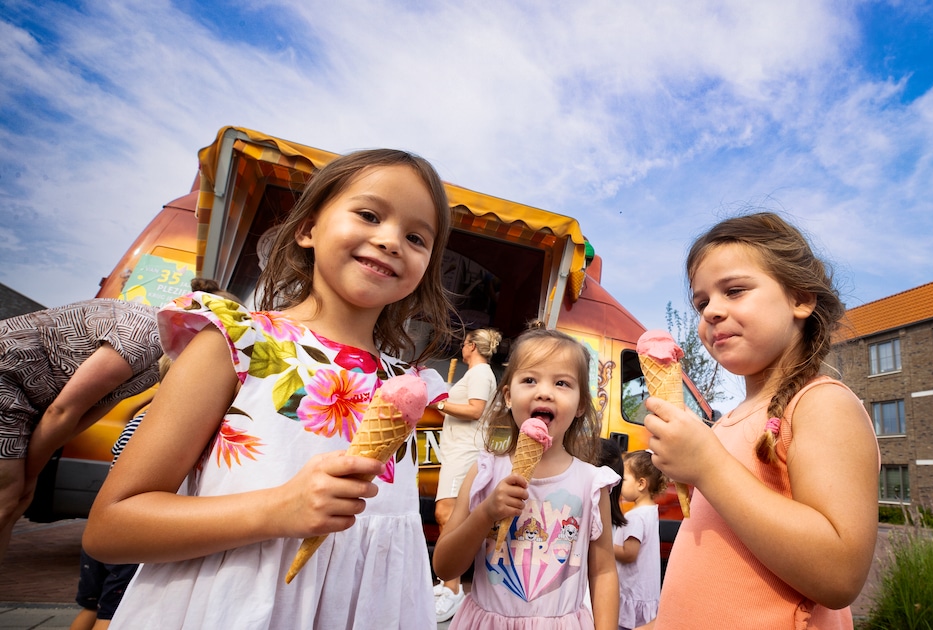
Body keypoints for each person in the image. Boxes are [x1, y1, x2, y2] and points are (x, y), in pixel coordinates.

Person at [82, 148, 458, 629]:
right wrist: (277, 510)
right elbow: (111, 527)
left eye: (416, 237)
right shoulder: (237, 342)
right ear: (308, 229)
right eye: (368, 215)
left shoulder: (407, 385)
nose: (390, 241)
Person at [642, 212, 880, 629]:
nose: (712, 311)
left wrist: (708, 467)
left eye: (734, 290)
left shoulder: (822, 405)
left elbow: (840, 574)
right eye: (701, 303)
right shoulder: (725, 424)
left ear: (800, 299)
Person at [432, 327, 620, 629]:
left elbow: (603, 572)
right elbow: (444, 566)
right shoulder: (484, 472)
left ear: (581, 405)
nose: (544, 392)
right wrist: (486, 514)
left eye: (561, 383)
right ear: (508, 396)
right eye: (530, 380)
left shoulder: (592, 484)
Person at [0, 298, 162, 562]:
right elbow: (62, 411)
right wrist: (30, 475)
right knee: (6, 500)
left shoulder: (159, 363)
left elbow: (92, 410)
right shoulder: (145, 335)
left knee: (15, 503)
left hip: (26, 399)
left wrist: (33, 471)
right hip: (8, 379)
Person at [70, 353, 174, 630]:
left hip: (100, 524)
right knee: (112, 613)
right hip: (130, 531)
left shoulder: (139, 419)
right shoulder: (168, 425)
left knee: (91, 607)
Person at [433, 327, 503, 622]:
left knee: (447, 513)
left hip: (465, 452)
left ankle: (452, 588)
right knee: (448, 513)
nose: (462, 348)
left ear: (472, 346)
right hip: (458, 451)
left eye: (464, 343)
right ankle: (447, 584)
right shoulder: (477, 374)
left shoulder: (480, 373)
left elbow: (475, 410)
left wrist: (438, 403)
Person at [613, 450, 662, 630]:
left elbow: (629, 554)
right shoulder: (651, 511)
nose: (619, 484)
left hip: (633, 593)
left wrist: (605, 546)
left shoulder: (636, 517)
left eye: (624, 480)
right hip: (645, 593)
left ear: (641, 484)